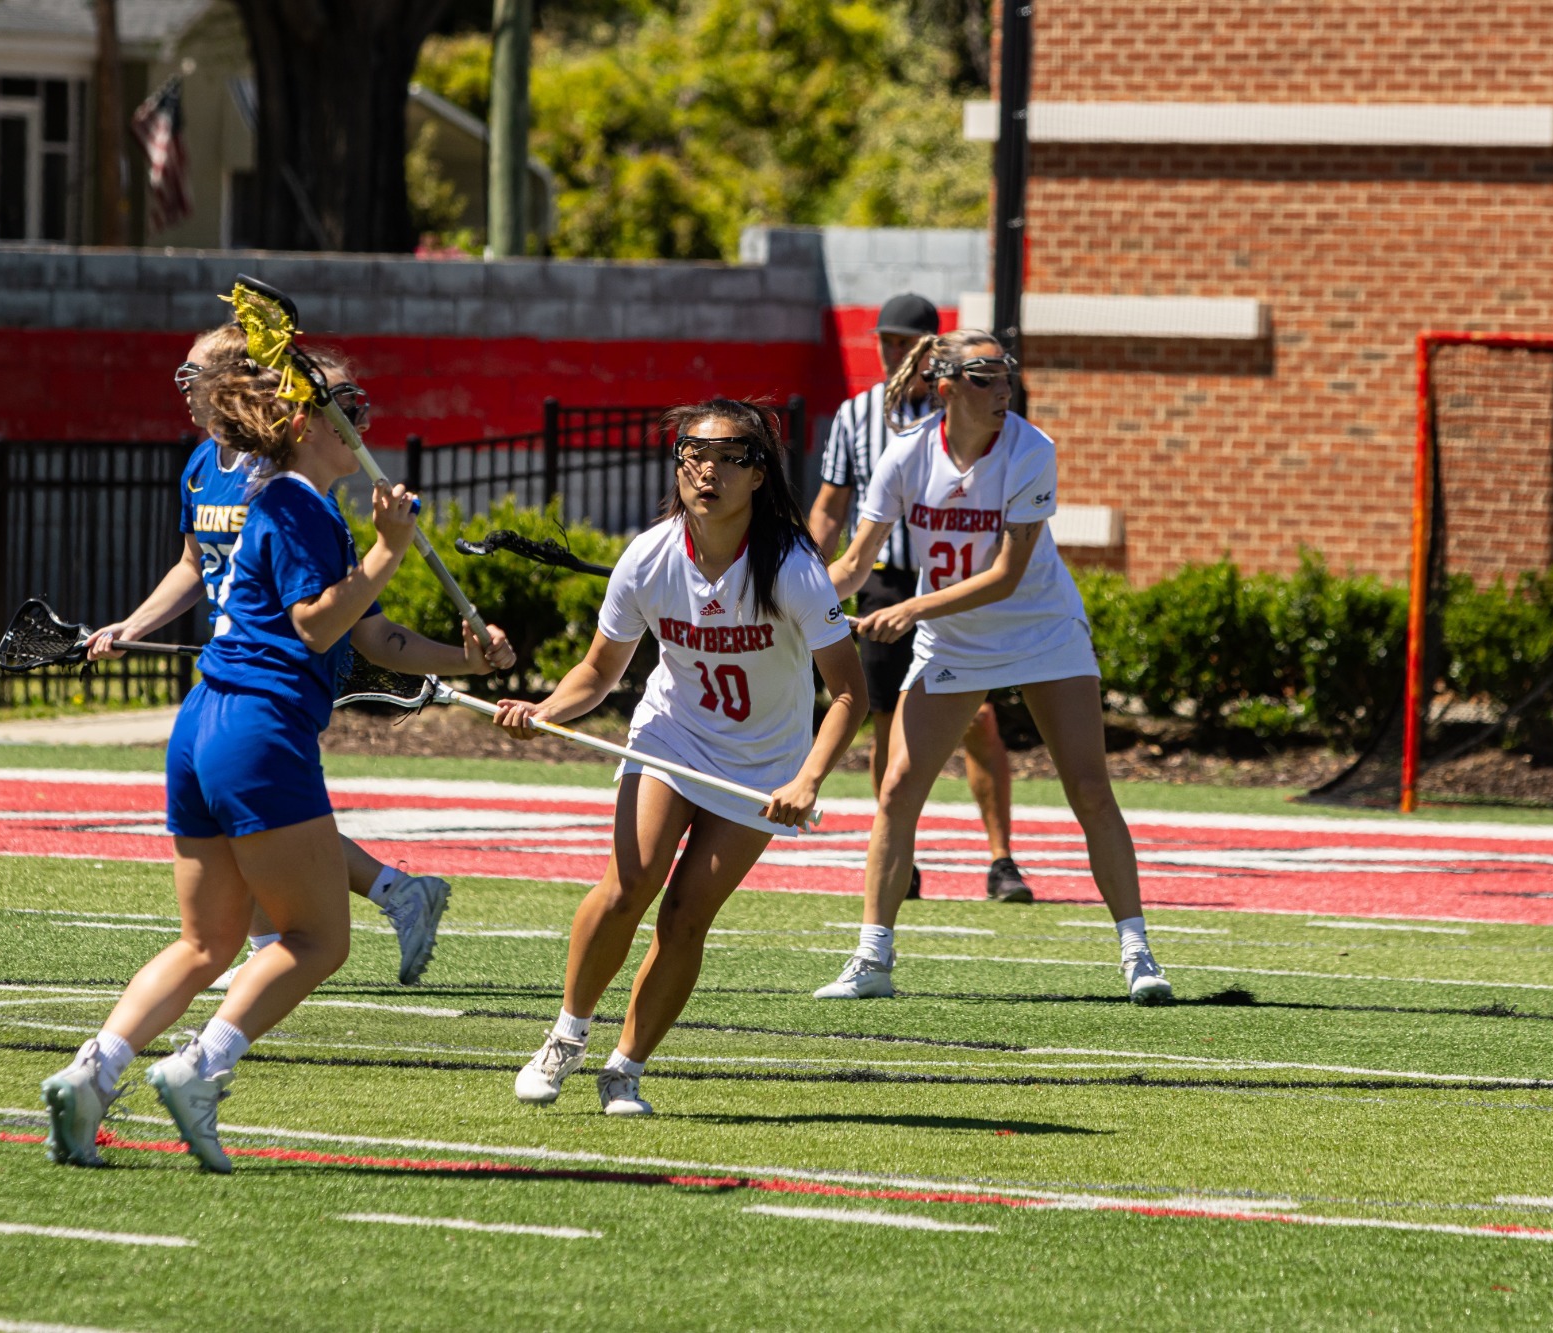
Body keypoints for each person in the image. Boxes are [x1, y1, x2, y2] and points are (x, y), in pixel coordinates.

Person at [40, 353, 512, 1172]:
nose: (361, 421)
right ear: (305, 422)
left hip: (205, 725)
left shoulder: (298, 504)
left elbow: (371, 633)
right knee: (319, 937)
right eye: (346, 406)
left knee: (205, 942)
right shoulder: (294, 503)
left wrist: (472, 661)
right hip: (257, 730)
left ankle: (93, 1073)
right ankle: (199, 1067)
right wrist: (390, 549)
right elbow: (318, 626)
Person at [496, 398, 866, 1116]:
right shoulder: (650, 555)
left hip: (764, 764)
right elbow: (599, 672)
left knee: (687, 914)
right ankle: (565, 1035)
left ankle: (625, 1069)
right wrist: (544, 712)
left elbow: (851, 693)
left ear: (759, 474)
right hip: (671, 736)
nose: (709, 471)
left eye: (731, 458)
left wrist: (807, 779)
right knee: (628, 885)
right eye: (695, 455)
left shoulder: (792, 566)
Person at [87, 325, 476, 988]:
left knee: (263, 824)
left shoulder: (294, 494)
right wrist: (132, 624)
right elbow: (192, 564)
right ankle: (349, 915)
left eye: (195, 375)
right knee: (253, 825)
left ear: (238, 381)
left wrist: (463, 656)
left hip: (278, 684)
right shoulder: (200, 466)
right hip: (228, 679)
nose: (184, 390)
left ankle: (330, 928)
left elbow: (355, 629)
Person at [812, 330, 1174, 1006]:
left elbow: (1008, 575)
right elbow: (857, 563)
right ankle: (872, 959)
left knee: (1090, 789)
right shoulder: (906, 455)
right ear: (944, 387)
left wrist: (913, 608)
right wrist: (794, 597)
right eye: (984, 377)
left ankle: (1138, 953)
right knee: (896, 788)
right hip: (954, 640)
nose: (1002, 387)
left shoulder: (1032, 450)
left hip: (1041, 628)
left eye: (1005, 373)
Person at [806, 294, 1029, 904]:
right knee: (888, 730)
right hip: (879, 578)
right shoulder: (856, 416)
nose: (893, 353)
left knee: (979, 721)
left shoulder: (974, 411)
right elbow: (831, 510)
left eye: (906, 342)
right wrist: (798, 578)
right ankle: (899, 858)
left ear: (935, 355)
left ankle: (1001, 859)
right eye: (886, 341)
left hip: (958, 584)